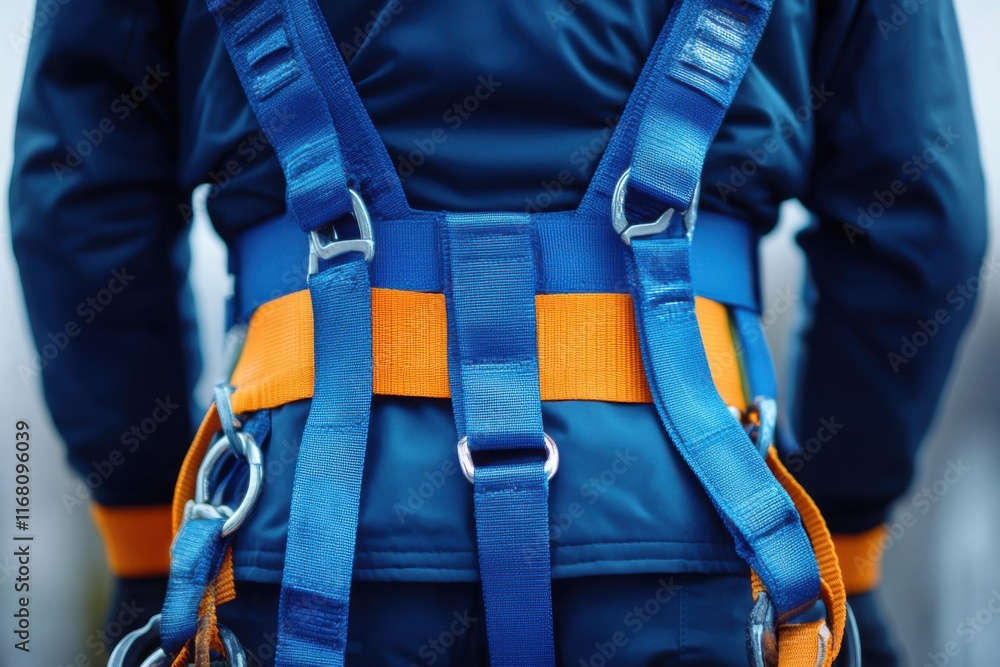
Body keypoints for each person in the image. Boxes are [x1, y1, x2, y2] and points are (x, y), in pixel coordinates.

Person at [9, 0, 986, 664]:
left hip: (317, 532)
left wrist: (144, 546)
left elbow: (76, 202)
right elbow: (917, 222)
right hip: (688, 527)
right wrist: (845, 551)